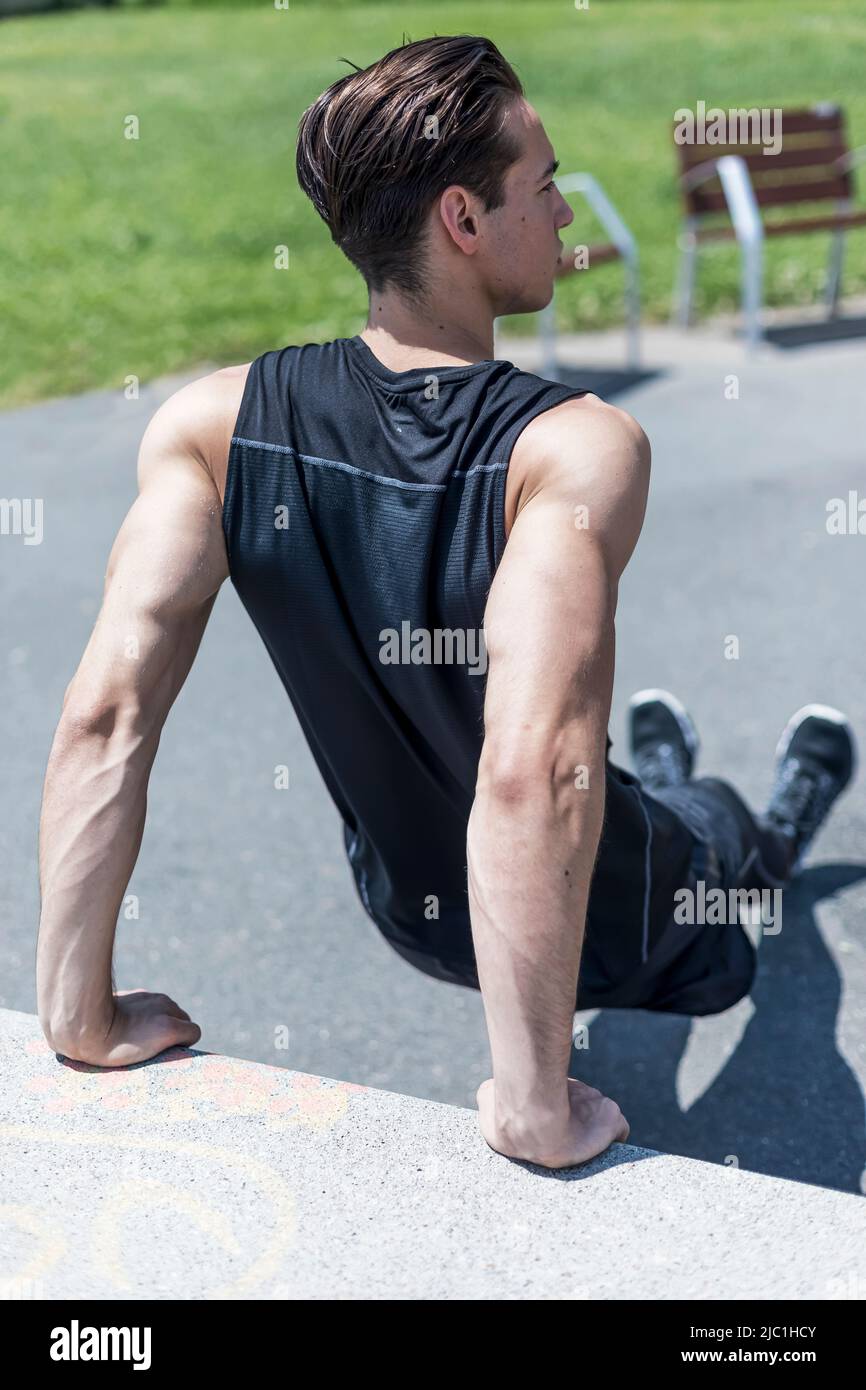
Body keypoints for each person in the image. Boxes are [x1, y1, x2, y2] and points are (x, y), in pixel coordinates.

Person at [36, 35, 855, 1172]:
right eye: (546, 185)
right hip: (620, 909)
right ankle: (769, 816)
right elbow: (534, 772)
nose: (566, 214)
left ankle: (662, 776)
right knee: (731, 859)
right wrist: (530, 1105)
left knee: (629, 779)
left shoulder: (211, 427)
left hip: (405, 908)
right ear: (462, 222)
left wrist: (75, 1012)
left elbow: (103, 717)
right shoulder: (570, 447)